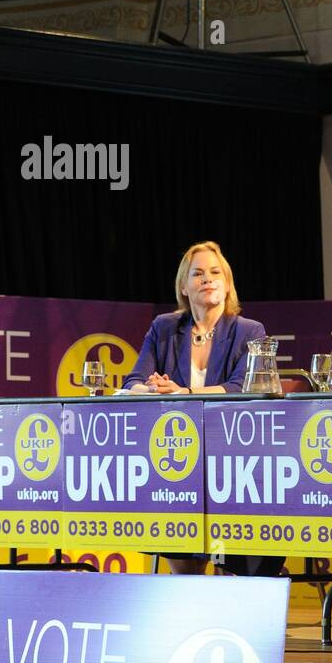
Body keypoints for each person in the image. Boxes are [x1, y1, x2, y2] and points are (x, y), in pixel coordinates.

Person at [122, 240, 278, 578]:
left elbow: (242, 388)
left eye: (214, 272)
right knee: (172, 485)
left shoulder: (249, 331)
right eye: (197, 273)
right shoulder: (164, 328)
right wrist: (151, 389)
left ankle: (224, 581)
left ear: (227, 283)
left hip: (233, 453)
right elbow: (132, 379)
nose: (207, 279)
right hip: (180, 452)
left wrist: (184, 391)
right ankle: (187, 584)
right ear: (183, 285)